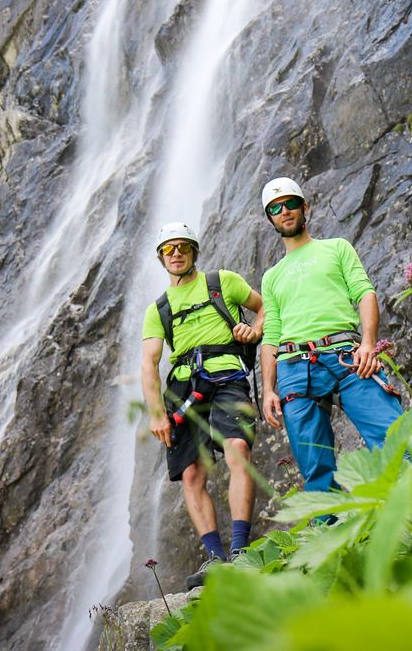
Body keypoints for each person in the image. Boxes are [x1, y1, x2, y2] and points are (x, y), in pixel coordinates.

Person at [258, 177, 403, 494]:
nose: (284, 211)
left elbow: (364, 293)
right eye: (275, 208)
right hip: (294, 367)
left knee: (393, 440)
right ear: (270, 218)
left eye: (290, 204)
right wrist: (268, 389)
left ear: (305, 207)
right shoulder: (271, 277)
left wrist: (368, 344)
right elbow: (271, 335)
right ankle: (332, 527)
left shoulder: (337, 248)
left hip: (347, 355)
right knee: (316, 471)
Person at [140, 222, 265, 589]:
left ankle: (240, 550)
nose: (176, 253)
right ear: (161, 258)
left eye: (183, 247)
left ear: (194, 251)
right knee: (192, 473)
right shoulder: (158, 309)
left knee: (238, 448)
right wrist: (156, 414)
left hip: (226, 377)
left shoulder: (222, 281)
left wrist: (255, 330)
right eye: (168, 249)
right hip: (183, 388)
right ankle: (215, 557)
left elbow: (264, 307)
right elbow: (148, 363)